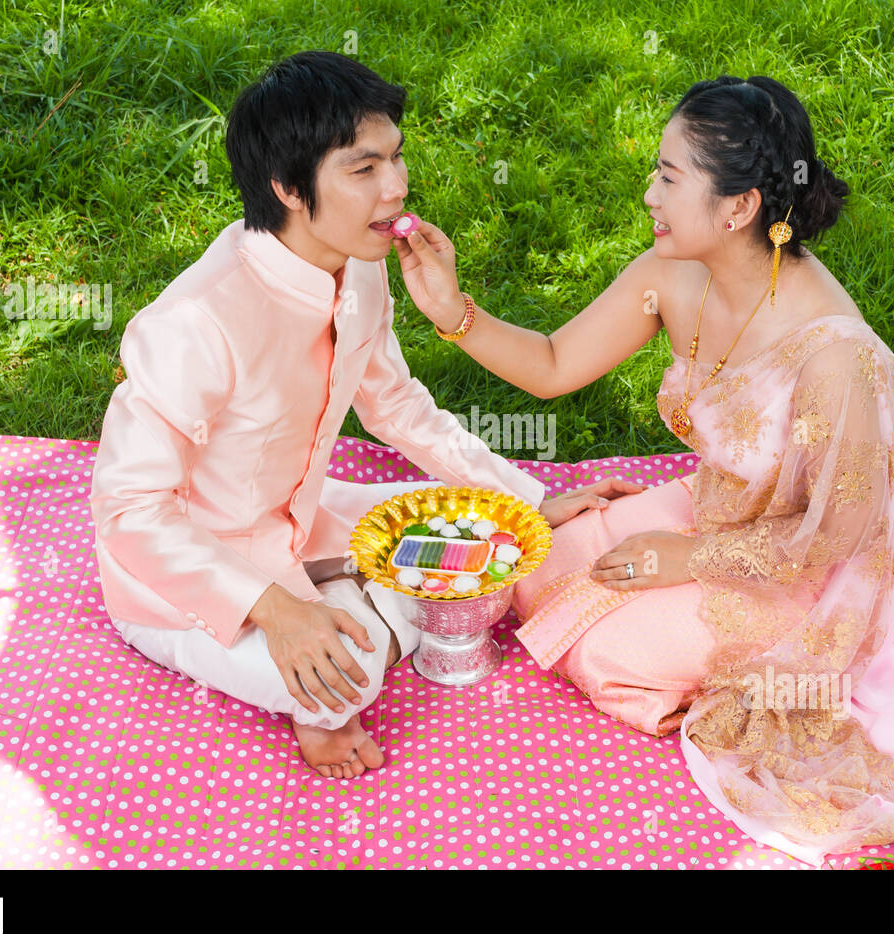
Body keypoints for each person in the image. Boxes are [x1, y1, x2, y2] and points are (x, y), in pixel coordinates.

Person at [391, 74, 894, 864]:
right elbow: (555, 362)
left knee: (607, 653)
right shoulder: (673, 275)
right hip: (712, 511)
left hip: (799, 579)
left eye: (669, 178)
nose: (649, 194)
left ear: (738, 208)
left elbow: (836, 538)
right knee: (538, 563)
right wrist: (451, 312)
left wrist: (684, 559)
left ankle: (692, 667)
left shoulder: (840, 360)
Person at [89, 52, 636, 782]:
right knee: (351, 678)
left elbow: (397, 406)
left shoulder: (363, 267)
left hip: (309, 519)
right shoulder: (195, 321)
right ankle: (345, 635)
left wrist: (527, 499)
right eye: (364, 168)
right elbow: (128, 512)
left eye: (397, 159)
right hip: (189, 572)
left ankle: (352, 610)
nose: (397, 187)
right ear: (288, 187)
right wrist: (275, 611)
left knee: (490, 534)